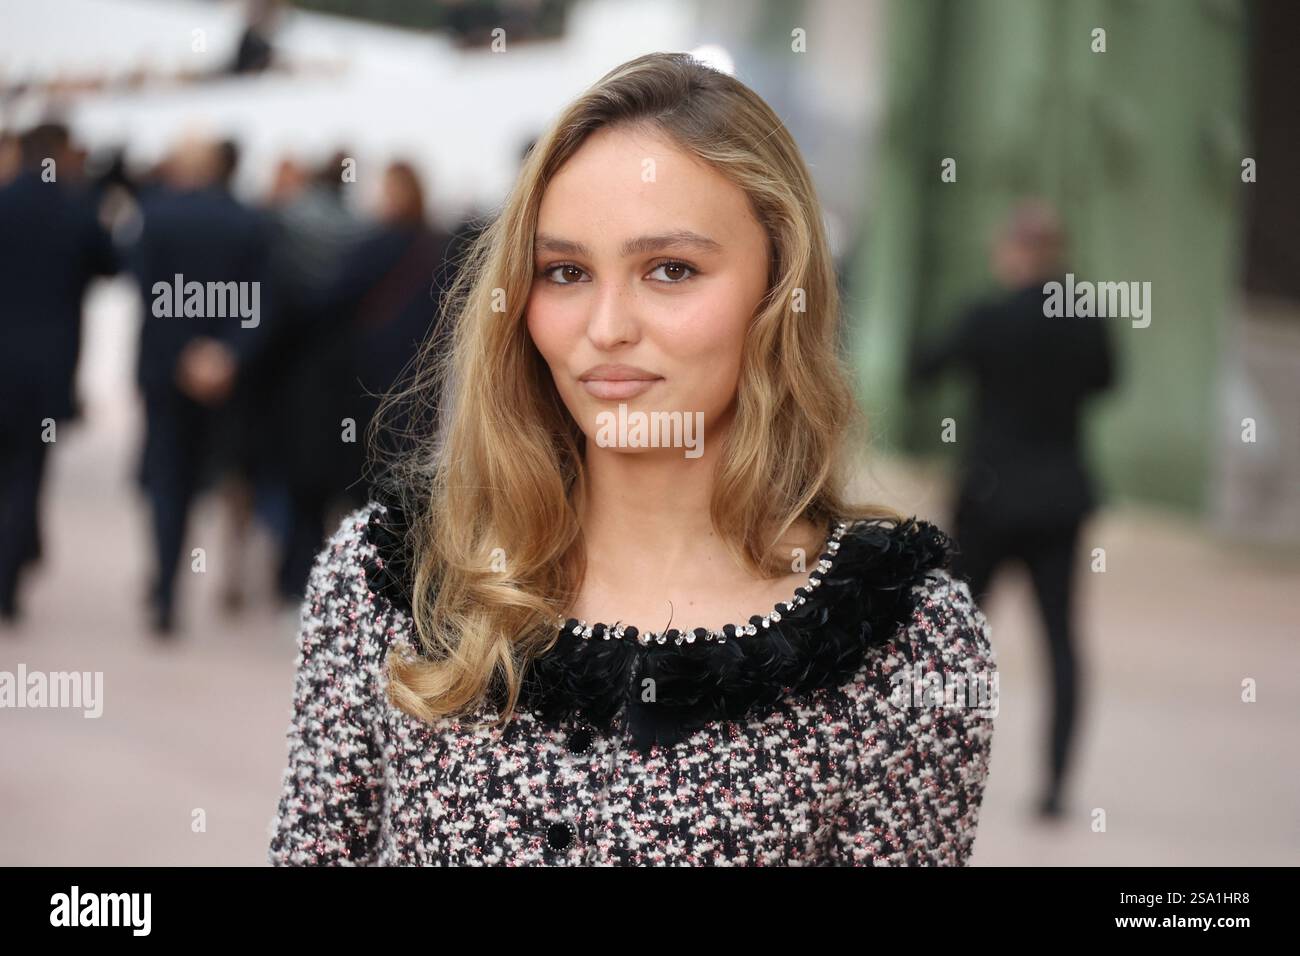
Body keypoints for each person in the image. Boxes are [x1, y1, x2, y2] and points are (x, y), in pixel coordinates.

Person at [268, 52, 996, 866]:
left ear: (778, 286)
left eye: (670, 270)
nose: (607, 326)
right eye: (567, 272)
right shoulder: (392, 581)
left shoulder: (902, 639)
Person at [908, 200, 1115, 819]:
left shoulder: (988, 317)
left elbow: (923, 369)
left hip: (990, 499)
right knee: (1060, 640)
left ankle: (934, 771)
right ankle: (1055, 788)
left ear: (1013, 251)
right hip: (1059, 501)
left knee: (957, 642)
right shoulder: (1085, 320)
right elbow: (1107, 381)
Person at [0, 122, 118, 623]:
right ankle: (9, 574)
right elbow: (112, 264)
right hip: (48, 366)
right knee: (28, 470)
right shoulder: (77, 207)